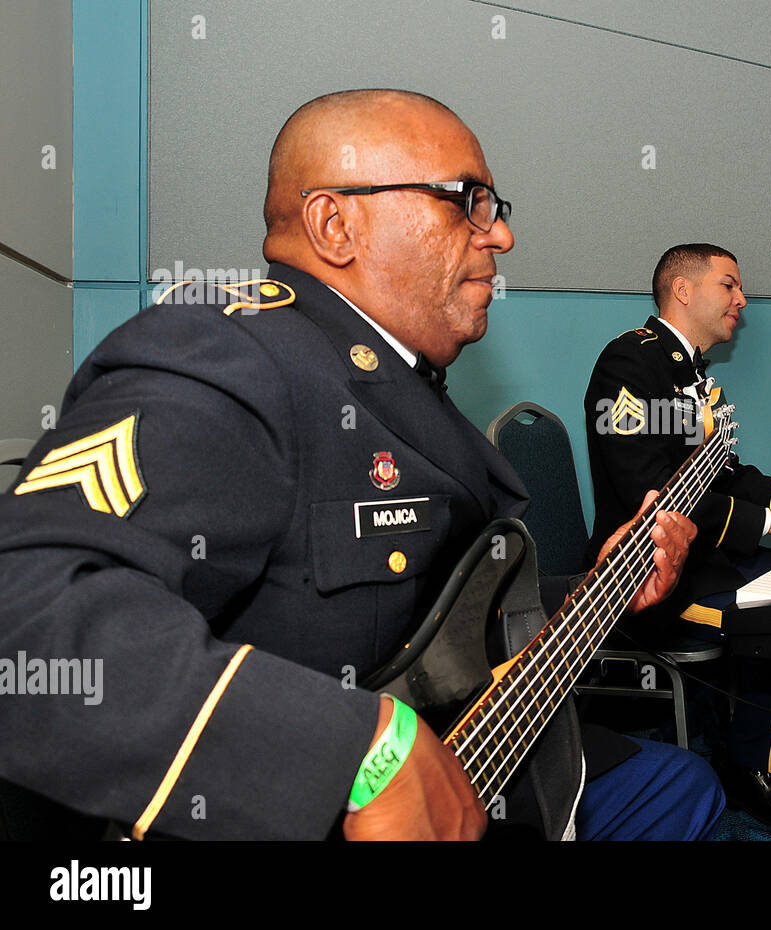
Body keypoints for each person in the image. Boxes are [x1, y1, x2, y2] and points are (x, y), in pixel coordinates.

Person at [0, 90, 723, 841]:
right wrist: (352, 751)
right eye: (468, 202)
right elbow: (26, 616)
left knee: (680, 787)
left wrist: (599, 587)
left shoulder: (396, 381)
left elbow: (424, 614)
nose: (500, 234)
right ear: (335, 223)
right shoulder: (227, 351)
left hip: (489, 751)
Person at [584, 243, 771, 827]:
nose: (742, 301)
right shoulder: (630, 362)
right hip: (644, 580)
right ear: (683, 290)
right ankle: (762, 774)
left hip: (704, 562)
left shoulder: (688, 373)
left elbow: (728, 475)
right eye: (730, 285)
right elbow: (649, 494)